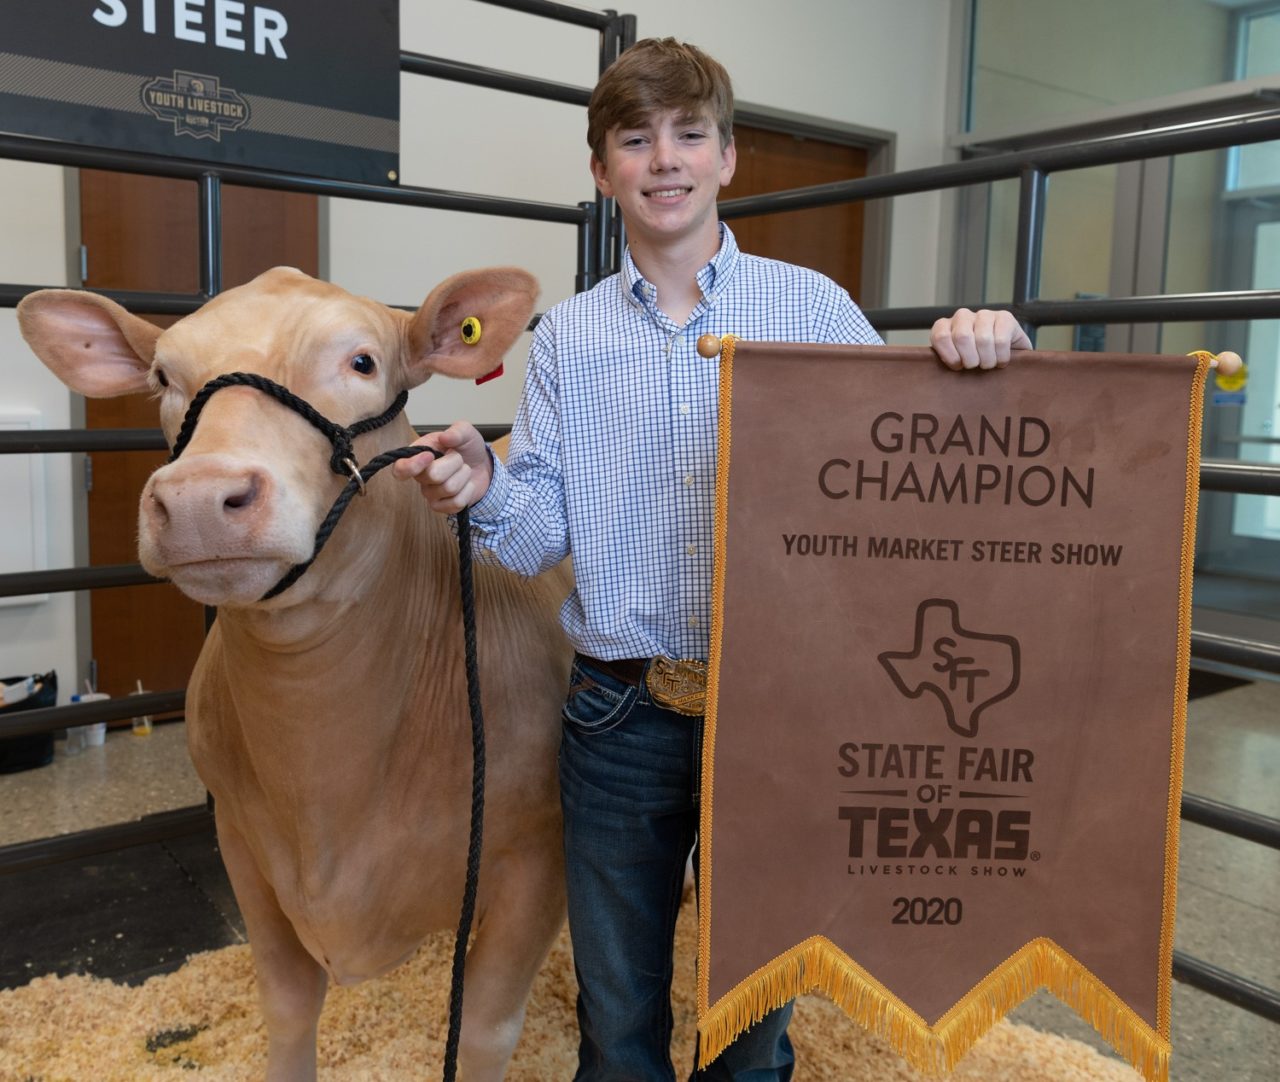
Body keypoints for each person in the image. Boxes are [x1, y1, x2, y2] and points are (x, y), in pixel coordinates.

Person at [395, 37, 1030, 1082]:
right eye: (635, 140)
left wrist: (978, 357)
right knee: (620, 1005)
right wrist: (485, 481)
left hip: (777, 706)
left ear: (727, 158)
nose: (665, 159)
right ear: (601, 172)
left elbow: (906, 471)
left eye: (690, 134)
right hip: (616, 707)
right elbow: (541, 525)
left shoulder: (814, 310)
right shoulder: (567, 340)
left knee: (751, 1012)